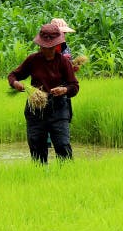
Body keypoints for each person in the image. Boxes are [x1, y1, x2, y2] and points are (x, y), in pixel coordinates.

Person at [8, 23, 79, 162]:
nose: (47, 50)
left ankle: (67, 178)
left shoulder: (63, 62)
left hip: (58, 109)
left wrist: (64, 89)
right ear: (40, 45)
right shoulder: (33, 60)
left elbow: (74, 86)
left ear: (56, 46)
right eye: (44, 47)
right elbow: (13, 75)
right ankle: (40, 177)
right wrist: (16, 84)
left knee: (63, 146)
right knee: (37, 149)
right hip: (36, 110)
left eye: (50, 47)